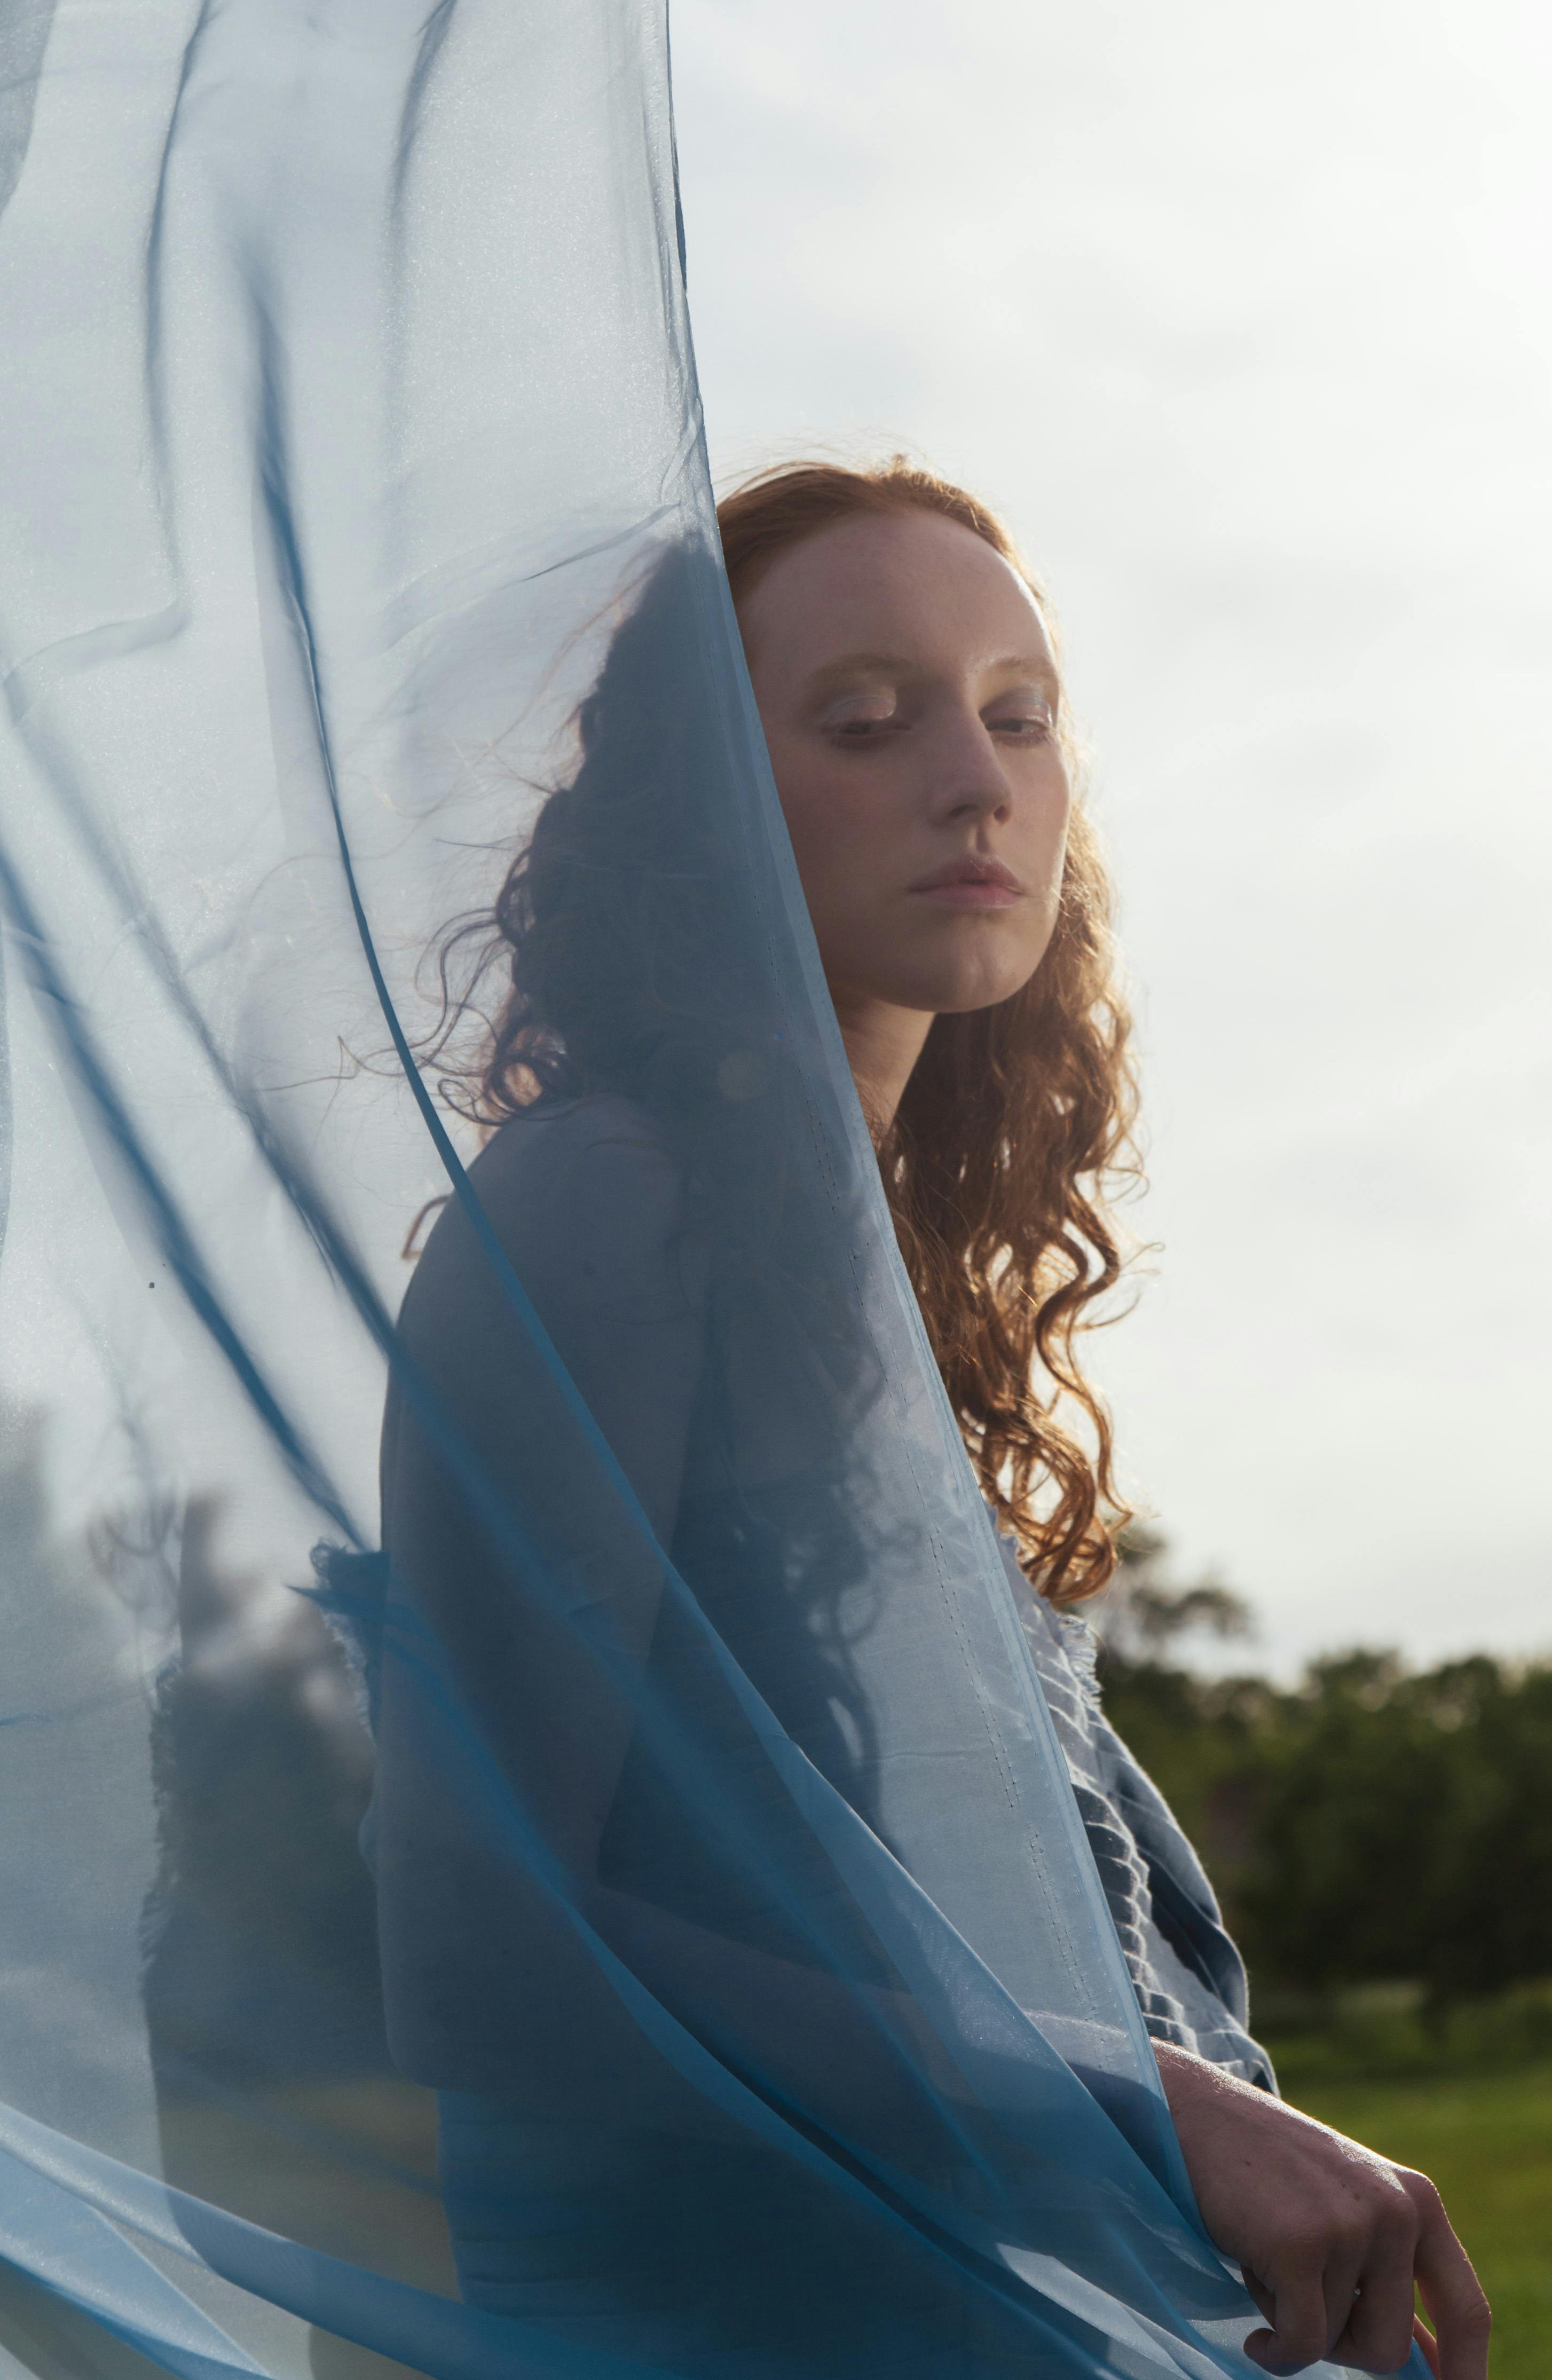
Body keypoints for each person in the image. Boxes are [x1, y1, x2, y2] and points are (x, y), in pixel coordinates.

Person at [374, 458, 1491, 2380]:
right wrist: (1135, 2099)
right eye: (864, 722)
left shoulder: (906, 1284)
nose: (973, 781)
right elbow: (481, 1958)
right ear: (699, 801)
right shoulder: (602, 1201)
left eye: (1019, 715)